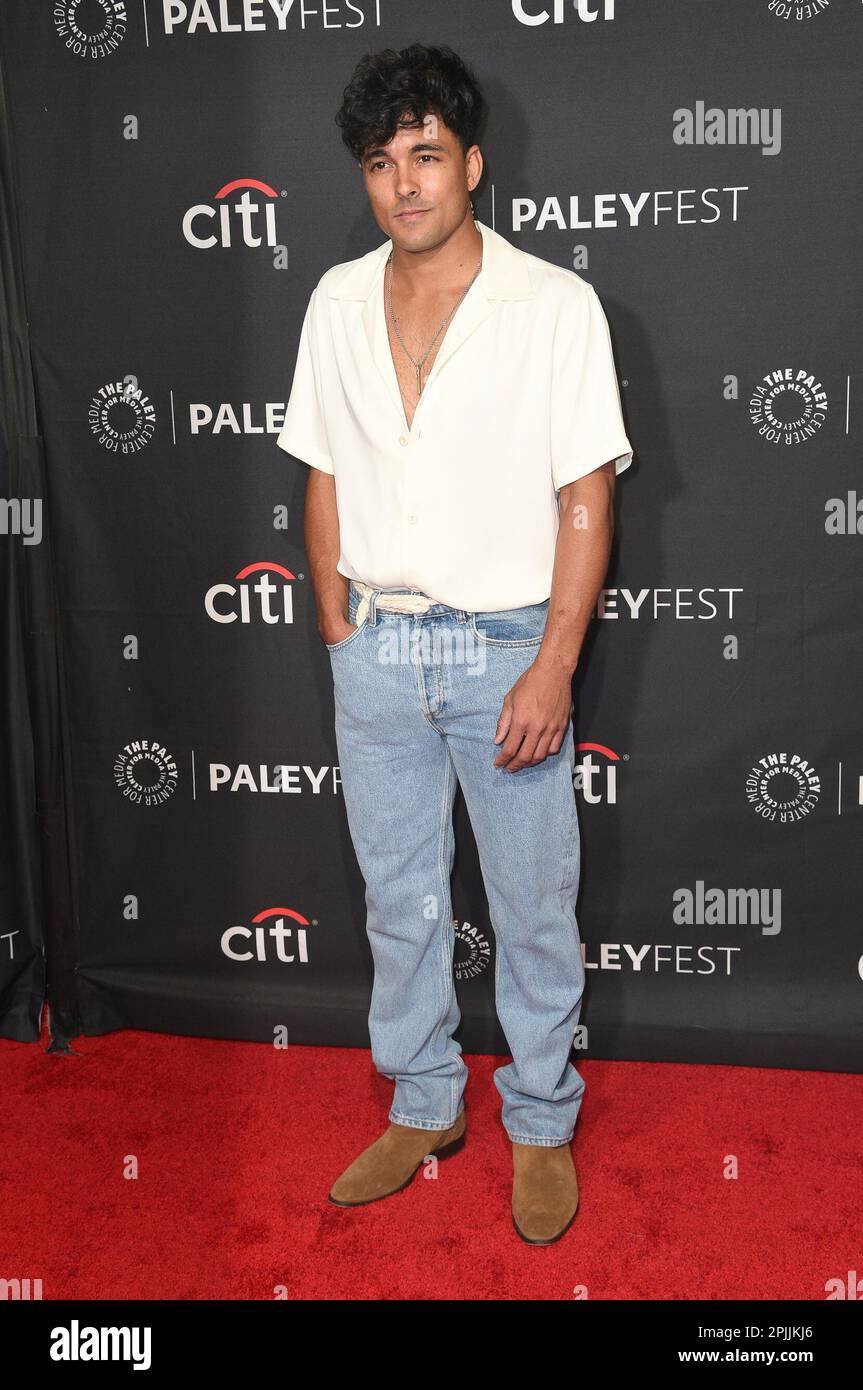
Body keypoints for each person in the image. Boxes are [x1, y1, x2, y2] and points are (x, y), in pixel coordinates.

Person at [277, 43, 633, 1245]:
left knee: (533, 903)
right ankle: (424, 1100)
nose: (403, 184)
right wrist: (335, 623)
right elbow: (320, 471)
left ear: (471, 163)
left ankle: (538, 1116)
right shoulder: (332, 300)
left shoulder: (552, 305)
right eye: (380, 163)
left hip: (505, 649)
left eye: (424, 156)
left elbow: (586, 490)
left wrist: (553, 661)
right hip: (374, 649)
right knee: (398, 900)